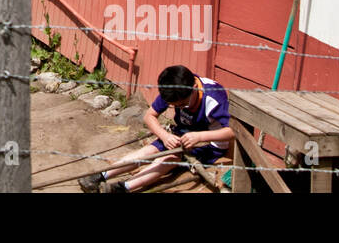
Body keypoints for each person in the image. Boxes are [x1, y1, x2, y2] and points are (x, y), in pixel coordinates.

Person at [80, 64, 233, 193]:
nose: (179, 108)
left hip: (208, 143)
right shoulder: (174, 88)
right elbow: (149, 116)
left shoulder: (214, 98)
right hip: (182, 133)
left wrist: (199, 137)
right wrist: (165, 136)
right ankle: (100, 176)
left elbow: (232, 132)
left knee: (169, 158)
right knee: (148, 151)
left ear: (194, 89)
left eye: (182, 105)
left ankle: (122, 187)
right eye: (175, 106)